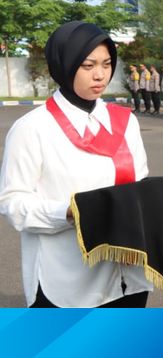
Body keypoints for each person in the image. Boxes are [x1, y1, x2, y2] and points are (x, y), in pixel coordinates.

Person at [0, 21, 153, 307]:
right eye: (88, 65)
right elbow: (12, 203)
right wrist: (67, 212)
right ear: (65, 64)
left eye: (107, 64)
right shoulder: (33, 128)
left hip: (126, 274)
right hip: (68, 281)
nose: (100, 75)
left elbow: (139, 184)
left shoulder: (125, 121)